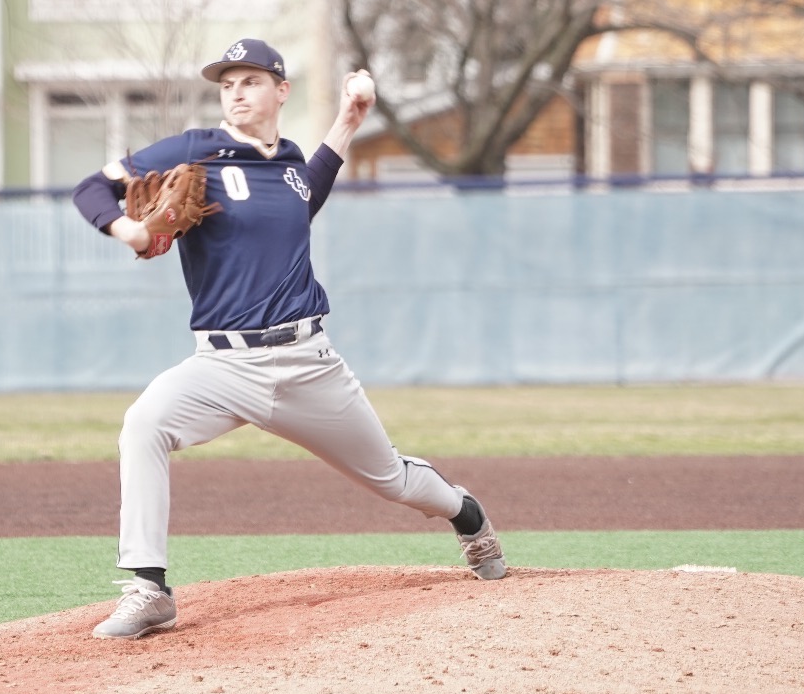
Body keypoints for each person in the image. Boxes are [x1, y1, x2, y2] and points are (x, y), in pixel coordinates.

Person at [71, 38, 506, 639]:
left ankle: (466, 514)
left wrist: (349, 121)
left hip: (308, 363)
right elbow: (91, 188)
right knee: (144, 424)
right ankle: (149, 588)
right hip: (221, 365)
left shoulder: (290, 162)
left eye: (249, 80)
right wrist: (129, 231)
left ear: (281, 90)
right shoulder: (193, 149)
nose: (236, 92)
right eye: (226, 84)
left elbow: (306, 197)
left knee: (392, 480)